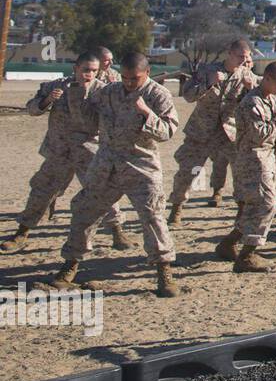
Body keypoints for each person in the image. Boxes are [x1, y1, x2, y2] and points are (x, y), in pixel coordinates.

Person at [49, 52, 182, 297]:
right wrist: (80, 93)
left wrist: (147, 113)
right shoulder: (110, 91)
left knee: (152, 216)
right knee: (84, 210)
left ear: (148, 73)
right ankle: (71, 265)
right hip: (106, 164)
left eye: (135, 78)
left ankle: (164, 273)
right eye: (126, 77)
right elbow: (88, 122)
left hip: (140, 165)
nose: (129, 82)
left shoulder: (157, 95)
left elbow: (168, 131)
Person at [1, 52, 129, 254]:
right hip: (59, 151)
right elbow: (32, 109)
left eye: (94, 71)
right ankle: (22, 233)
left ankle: (117, 232)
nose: (89, 74)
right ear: (75, 68)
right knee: (42, 190)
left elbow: (114, 119)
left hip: (88, 152)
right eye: (86, 69)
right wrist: (47, 101)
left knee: (102, 191)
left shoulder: (103, 92)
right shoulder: (55, 86)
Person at [215, 62, 276, 272]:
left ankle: (228, 244)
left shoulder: (270, 100)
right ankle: (247, 256)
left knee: (253, 208)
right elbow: (259, 134)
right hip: (253, 163)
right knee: (266, 206)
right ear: (267, 78)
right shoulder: (252, 102)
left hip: (268, 161)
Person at [167, 39, 257, 224]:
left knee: (241, 172)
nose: (243, 60)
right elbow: (188, 96)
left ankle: (241, 210)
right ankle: (176, 208)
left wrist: (250, 91)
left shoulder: (248, 76)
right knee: (188, 170)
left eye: (246, 57)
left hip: (230, 133)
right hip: (201, 131)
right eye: (240, 56)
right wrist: (208, 83)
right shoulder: (207, 71)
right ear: (229, 54)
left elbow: (254, 106)